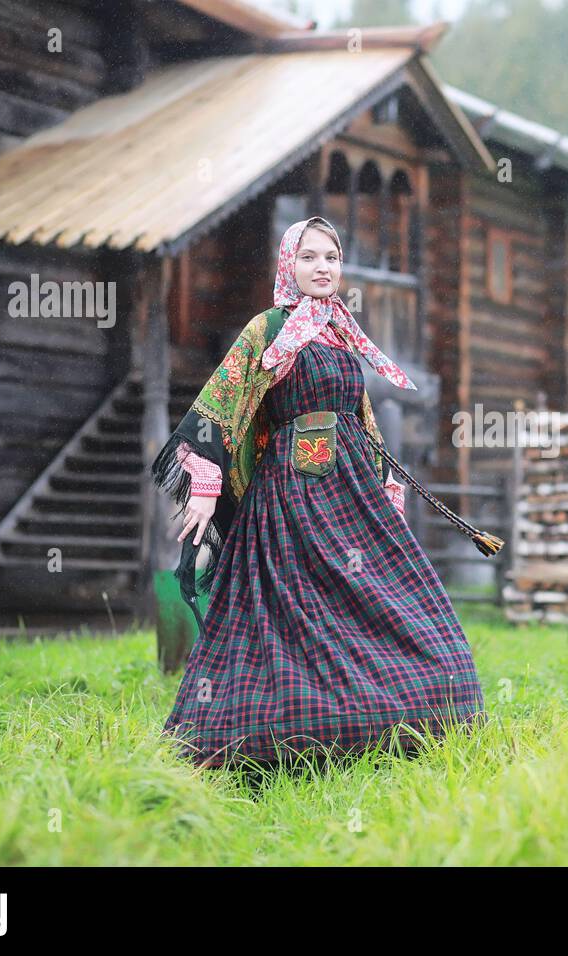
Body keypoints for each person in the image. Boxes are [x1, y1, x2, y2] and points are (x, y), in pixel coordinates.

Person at [151, 215, 486, 769]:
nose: (322, 267)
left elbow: (363, 421)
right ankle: (283, 732)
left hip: (353, 493)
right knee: (291, 606)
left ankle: (409, 714)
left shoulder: (342, 333)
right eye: (309, 257)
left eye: (330, 257)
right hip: (290, 496)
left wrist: (387, 489)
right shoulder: (267, 329)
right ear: (290, 265)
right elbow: (222, 402)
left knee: (388, 598)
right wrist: (205, 487)